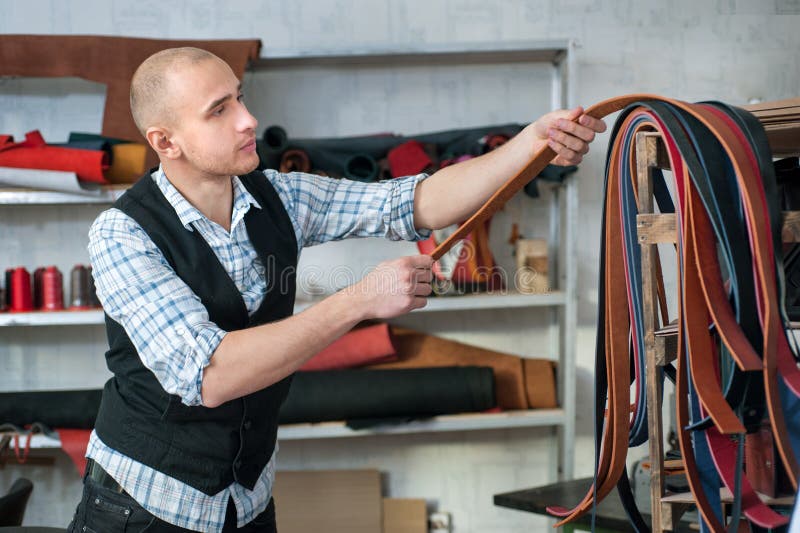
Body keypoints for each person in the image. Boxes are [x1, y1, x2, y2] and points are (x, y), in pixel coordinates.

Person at [66, 46, 606, 532]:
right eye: (219, 110)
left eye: (240, 98)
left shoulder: (276, 195)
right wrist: (359, 300)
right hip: (143, 508)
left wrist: (529, 145)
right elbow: (212, 375)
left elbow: (413, 203)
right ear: (166, 142)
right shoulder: (123, 235)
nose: (248, 120)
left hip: (246, 500)